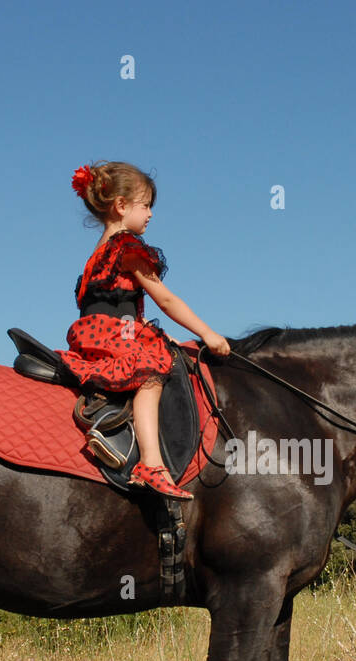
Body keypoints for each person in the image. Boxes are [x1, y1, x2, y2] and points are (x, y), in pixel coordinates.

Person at [65, 161, 231, 500]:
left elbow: (113, 301)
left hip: (90, 335)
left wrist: (147, 330)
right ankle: (152, 464)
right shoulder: (128, 248)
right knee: (150, 373)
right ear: (122, 206)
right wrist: (209, 334)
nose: (151, 214)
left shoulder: (95, 257)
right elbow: (166, 301)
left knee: (155, 351)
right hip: (114, 334)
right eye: (146, 205)